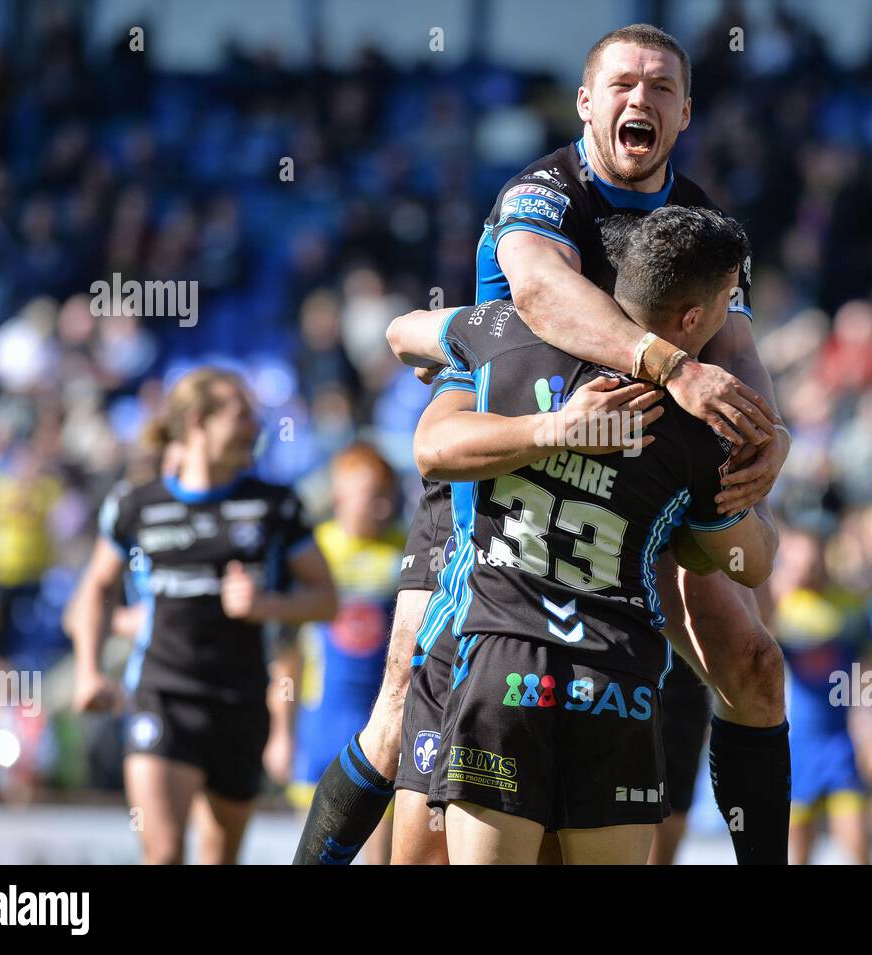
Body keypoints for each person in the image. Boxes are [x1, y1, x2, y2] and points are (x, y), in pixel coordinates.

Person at [294, 22, 791, 868]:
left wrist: (769, 436)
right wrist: (672, 368)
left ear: (686, 111)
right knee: (397, 719)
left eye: (663, 87)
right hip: (499, 474)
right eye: (624, 83)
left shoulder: (701, 220)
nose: (643, 99)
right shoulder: (545, 191)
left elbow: (737, 353)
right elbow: (535, 291)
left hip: (637, 479)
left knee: (752, 661)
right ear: (586, 103)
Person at [399, 207, 778, 862]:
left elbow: (404, 341)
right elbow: (750, 563)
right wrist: (755, 471)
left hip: (500, 661)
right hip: (617, 679)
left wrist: (545, 429)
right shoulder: (695, 435)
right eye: (727, 306)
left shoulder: (501, 336)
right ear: (692, 319)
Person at [68, 367, 338, 864]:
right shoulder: (135, 506)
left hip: (241, 704)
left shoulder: (275, 505)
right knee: (165, 853)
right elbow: (94, 590)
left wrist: (266, 606)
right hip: (162, 696)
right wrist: (87, 670)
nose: (256, 427)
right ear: (198, 421)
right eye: (242, 416)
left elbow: (326, 598)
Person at [272, 442, 403, 864]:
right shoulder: (316, 553)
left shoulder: (408, 549)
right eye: (373, 497)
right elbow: (288, 650)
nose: (383, 508)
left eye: (389, 496)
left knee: (379, 855)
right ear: (341, 495)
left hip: (382, 725)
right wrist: (280, 732)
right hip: (320, 725)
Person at [773, 525, 872, 864]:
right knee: (794, 851)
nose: (807, 566)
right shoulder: (775, 605)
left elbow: (869, 669)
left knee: (860, 843)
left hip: (839, 740)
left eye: (812, 558)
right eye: (798, 559)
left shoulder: (849, 607)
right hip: (791, 743)